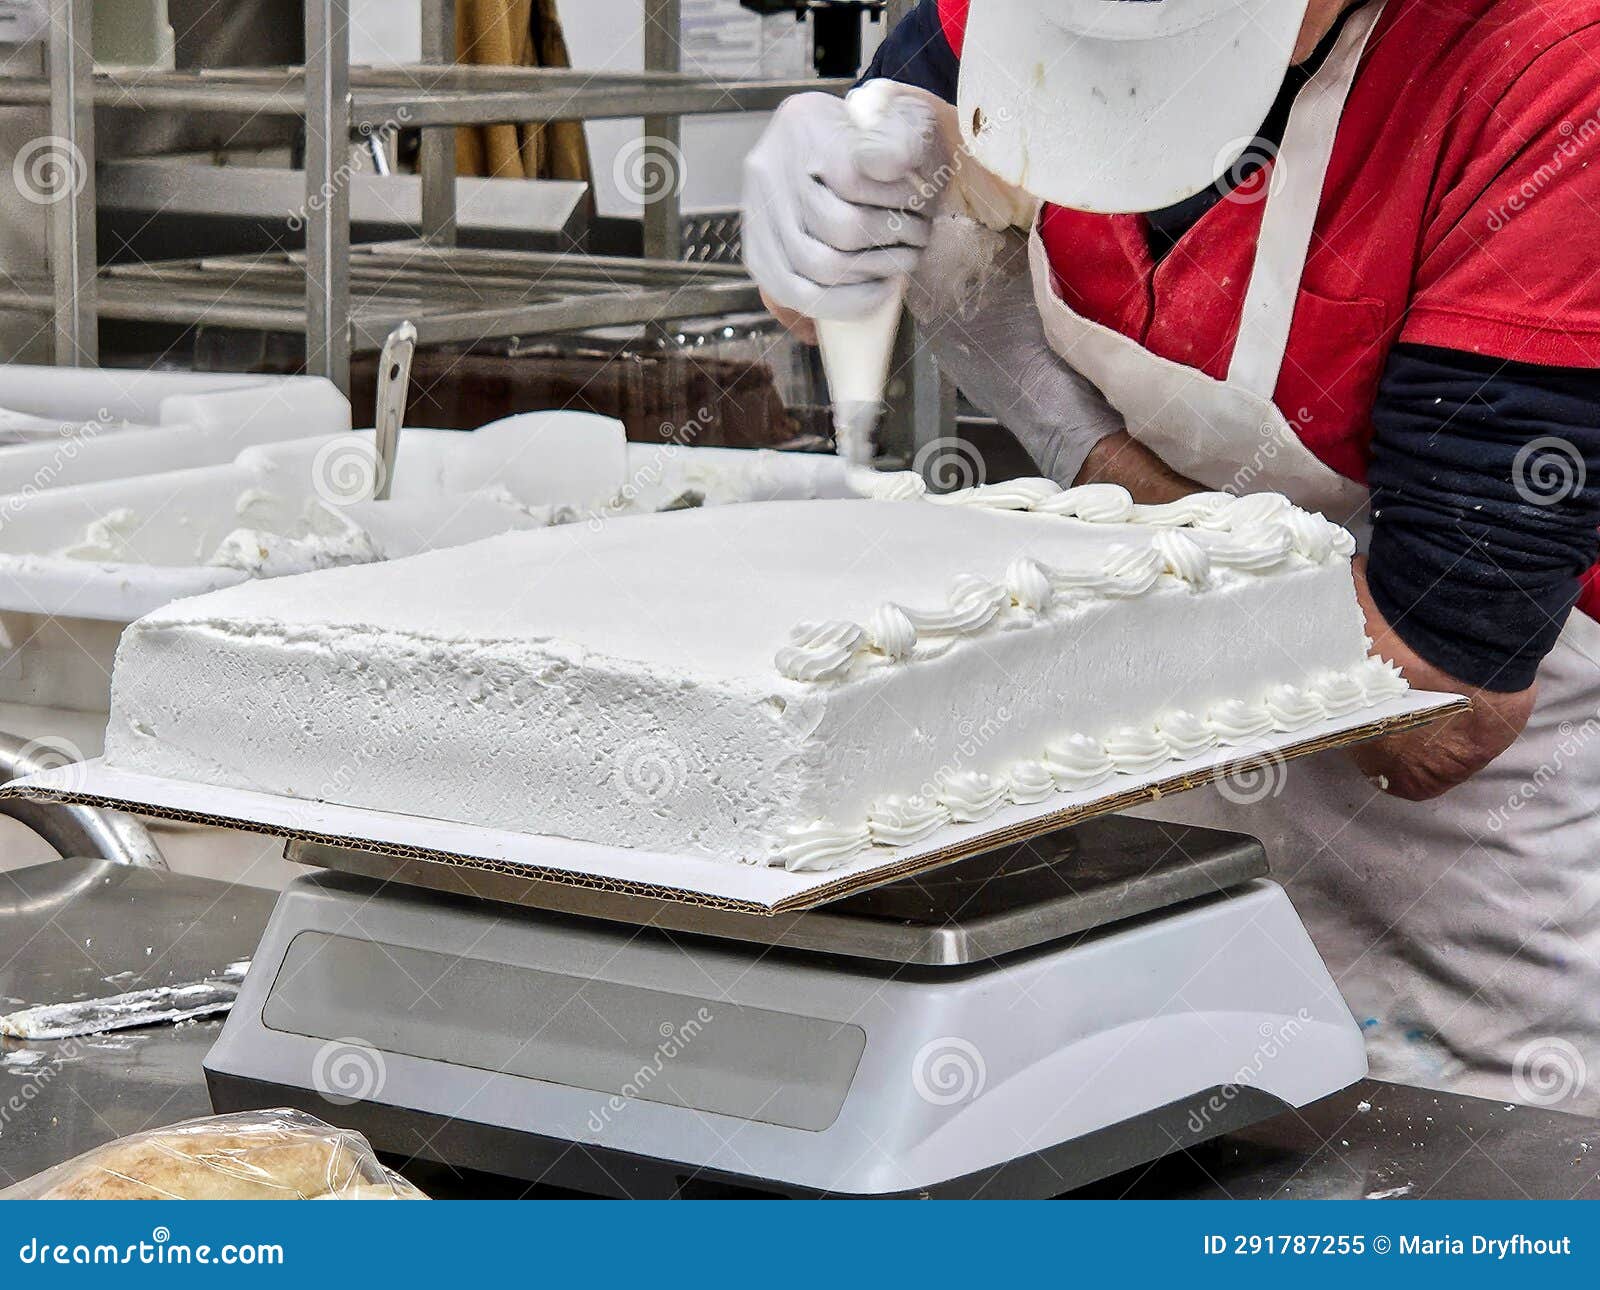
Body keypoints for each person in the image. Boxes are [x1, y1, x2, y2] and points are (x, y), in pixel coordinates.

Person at [742, 0, 1600, 1112]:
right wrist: (819, 222)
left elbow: (1436, 716)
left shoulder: (1544, 75)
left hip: (1454, 876)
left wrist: (1121, 494)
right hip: (1155, 810)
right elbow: (882, 248)